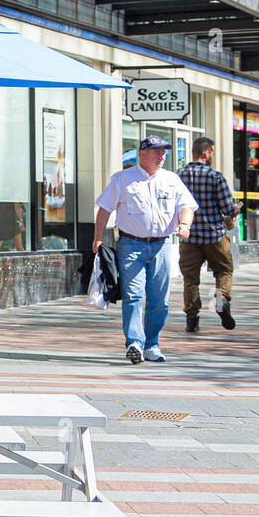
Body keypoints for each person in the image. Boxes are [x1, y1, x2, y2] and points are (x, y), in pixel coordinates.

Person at [94, 135, 199, 365]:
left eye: (164, 152)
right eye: (157, 151)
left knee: (159, 300)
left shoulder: (171, 179)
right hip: (131, 245)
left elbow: (187, 206)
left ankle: (152, 344)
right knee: (133, 295)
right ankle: (134, 343)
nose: (162, 156)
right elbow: (104, 209)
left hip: (162, 245)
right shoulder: (123, 179)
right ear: (142, 154)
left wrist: (185, 224)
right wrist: (98, 238)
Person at [177, 137, 240, 333]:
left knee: (190, 279)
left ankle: (192, 319)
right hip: (214, 236)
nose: (212, 156)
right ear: (206, 153)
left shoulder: (178, 176)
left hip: (189, 237)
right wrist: (236, 209)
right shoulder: (215, 176)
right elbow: (228, 208)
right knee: (223, 271)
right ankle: (221, 302)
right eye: (212, 152)